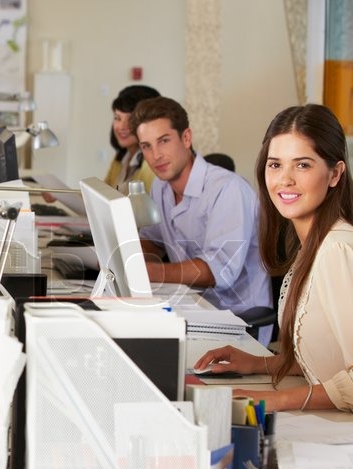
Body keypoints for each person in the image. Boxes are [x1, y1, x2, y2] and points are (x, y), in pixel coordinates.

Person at [195, 104, 353, 412]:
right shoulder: (311, 245)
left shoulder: (337, 249)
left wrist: (274, 400)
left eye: (303, 165)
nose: (285, 179)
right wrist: (258, 363)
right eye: (275, 165)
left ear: (335, 174)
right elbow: (328, 360)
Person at [130, 96, 272, 337]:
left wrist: (148, 271)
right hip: (187, 309)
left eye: (164, 141)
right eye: (146, 146)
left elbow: (217, 270)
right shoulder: (160, 187)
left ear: (186, 138)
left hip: (236, 321)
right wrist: (123, 256)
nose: (156, 155)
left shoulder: (228, 189)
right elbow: (154, 240)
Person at [104, 85, 160, 194]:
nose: (122, 127)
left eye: (131, 119)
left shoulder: (153, 164)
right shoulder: (121, 156)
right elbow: (102, 195)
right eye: (117, 118)